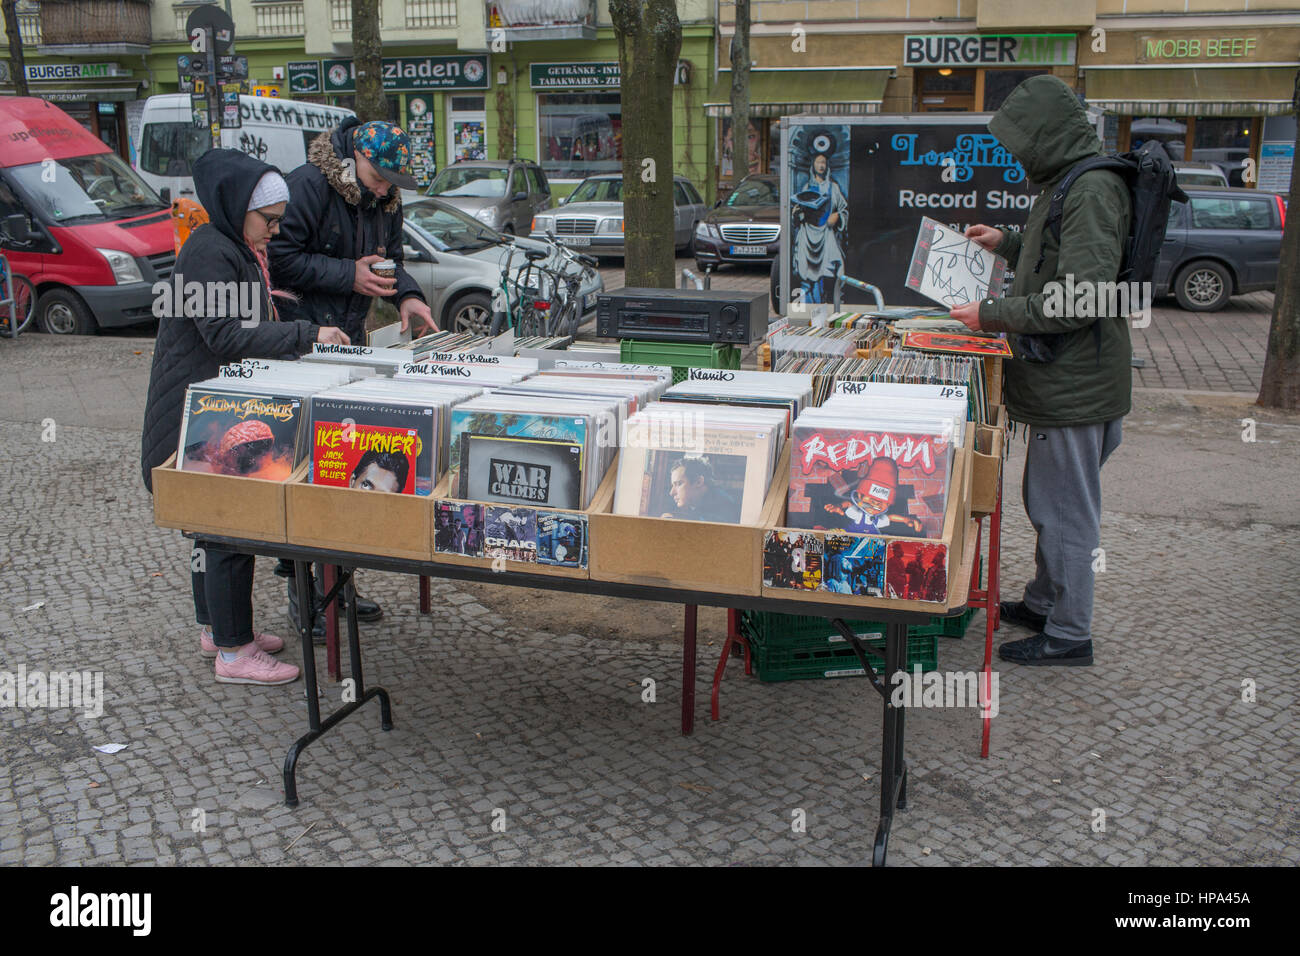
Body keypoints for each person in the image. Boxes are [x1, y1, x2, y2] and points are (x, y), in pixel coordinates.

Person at [139, 149, 350, 686]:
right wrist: (307, 335)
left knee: (208, 523)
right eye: (270, 220)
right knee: (226, 524)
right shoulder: (211, 250)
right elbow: (225, 334)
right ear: (239, 209)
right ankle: (233, 652)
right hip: (199, 411)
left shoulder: (226, 244)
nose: (276, 231)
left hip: (204, 406)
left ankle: (217, 628)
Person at [949, 75, 1131, 667]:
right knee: (1047, 501)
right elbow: (1056, 250)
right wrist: (1006, 242)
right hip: (1066, 380)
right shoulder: (1069, 180)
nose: (1017, 155)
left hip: (1074, 386)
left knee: (1064, 512)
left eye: (1023, 142)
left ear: (1046, 136)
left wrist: (991, 314)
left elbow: (1081, 296)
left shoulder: (1092, 187)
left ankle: (1070, 633)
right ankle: (1043, 601)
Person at [270, 118, 437, 628]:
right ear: (355, 157)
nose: (387, 187)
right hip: (301, 338)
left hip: (350, 339)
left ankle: (339, 585)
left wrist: (407, 293)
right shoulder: (307, 185)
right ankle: (308, 598)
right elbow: (277, 257)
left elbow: (393, 259)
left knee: (341, 465)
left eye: (393, 179)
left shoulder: (384, 196)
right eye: (380, 176)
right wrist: (349, 274)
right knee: (306, 470)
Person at [792, 137, 848, 304]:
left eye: (824, 162)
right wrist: (797, 213)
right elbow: (798, 213)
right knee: (806, 273)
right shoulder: (806, 188)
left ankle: (830, 301)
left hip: (826, 233)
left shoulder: (834, 188)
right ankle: (808, 303)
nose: (821, 165)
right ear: (813, 166)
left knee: (833, 267)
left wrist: (837, 217)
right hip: (807, 235)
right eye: (818, 162)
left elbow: (844, 209)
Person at [661, 457, 740, 523]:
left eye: (678, 484)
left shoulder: (722, 507)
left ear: (699, 482)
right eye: (673, 485)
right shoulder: (704, 503)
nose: (671, 492)